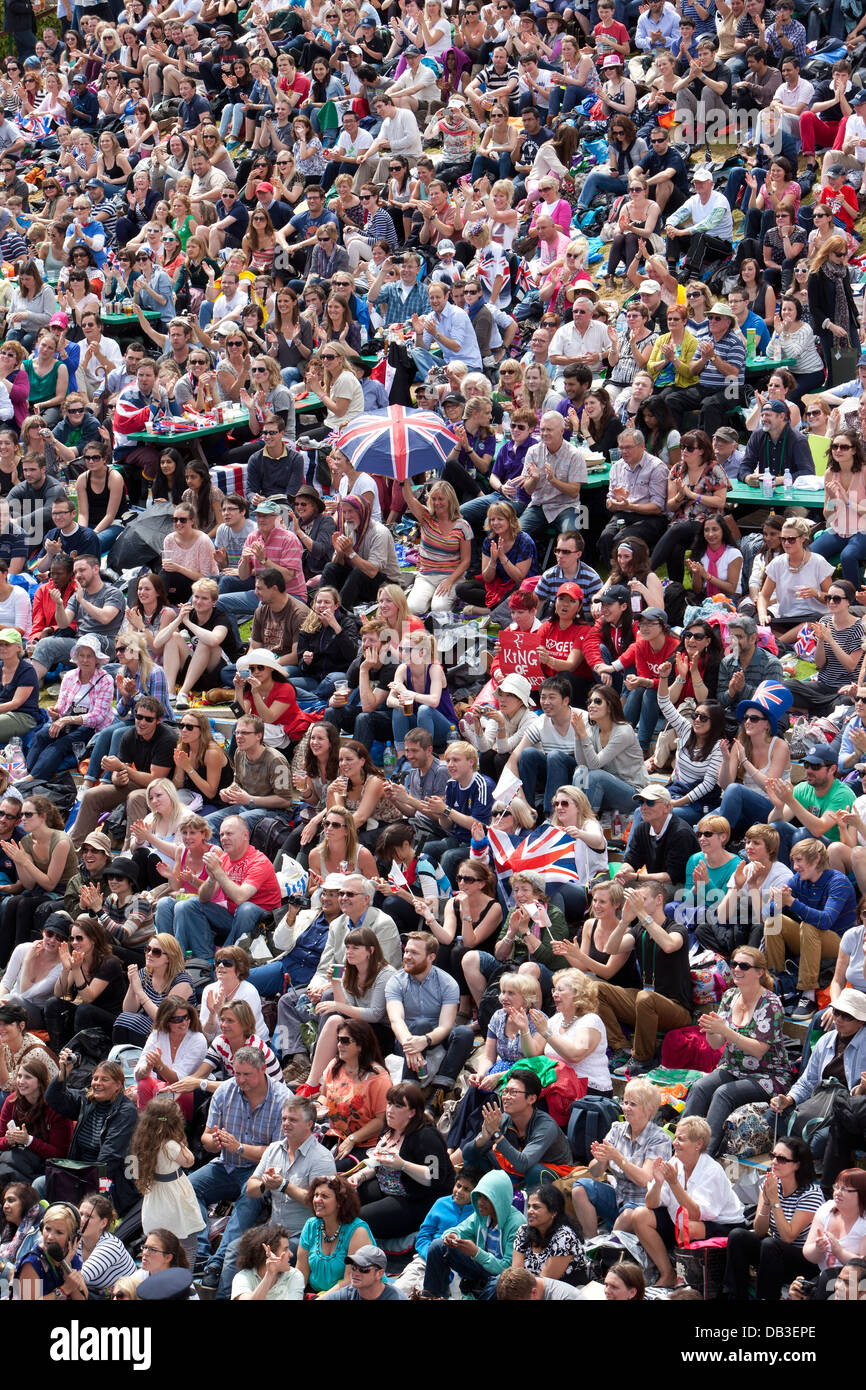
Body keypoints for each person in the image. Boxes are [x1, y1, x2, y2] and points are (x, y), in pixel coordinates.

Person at [189, 1046, 288, 1292]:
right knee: (187, 1187)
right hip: (226, 1165)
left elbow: (278, 1152)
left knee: (250, 1198)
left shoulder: (282, 1098)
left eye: (247, 1075)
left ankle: (216, 1263)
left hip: (259, 1169)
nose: (241, 1080)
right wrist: (215, 1142)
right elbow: (206, 1140)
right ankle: (201, 1252)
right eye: (237, 1074)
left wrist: (240, 1147)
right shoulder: (224, 1091)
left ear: (263, 1070)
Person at [682, 946, 790, 1154]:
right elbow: (715, 1043)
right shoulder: (730, 996)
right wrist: (711, 1029)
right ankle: (682, 1145)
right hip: (733, 1068)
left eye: (744, 966)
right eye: (734, 964)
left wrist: (725, 1030)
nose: (737, 969)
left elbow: (759, 1050)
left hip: (767, 1076)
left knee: (723, 1094)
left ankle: (704, 1156)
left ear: (759, 972)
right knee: (699, 1087)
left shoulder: (771, 1004)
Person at [631, 1116, 745, 1289]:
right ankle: (668, 1273)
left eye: (681, 1139)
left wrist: (674, 1184)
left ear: (698, 1144)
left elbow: (696, 1214)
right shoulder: (675, 1162)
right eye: (675, 1137)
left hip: (723, 1226)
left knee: (687, 1226)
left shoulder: (711, 1170)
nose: (674, 1142)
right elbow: (651, 1204)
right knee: (640, 1216)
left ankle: (688, 1279)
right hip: (682, 1221)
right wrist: (659, 1183)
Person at [770, 988, 866, 1179]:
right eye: (836, 1012)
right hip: (818, 1105)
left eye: (846, 1016)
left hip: (843, 1113)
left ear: (861, 1021)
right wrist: (789, 1098)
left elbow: (858, 1102)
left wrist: (862, 1088)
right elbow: (808, 1081)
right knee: (772, 1115)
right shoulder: (826, 1040)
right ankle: (802, 1160)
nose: (838, 1019)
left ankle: (798, 1160)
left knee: (820, 1139)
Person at [161, 816, 282, 963]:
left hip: (261, 924)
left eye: (229, 834)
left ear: (245, 835)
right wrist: (211, 879)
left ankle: (224, 957)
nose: (224, 838)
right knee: (187, 904)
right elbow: (204, 898)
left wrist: (218, 872)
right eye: (222, 834)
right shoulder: (224, 859)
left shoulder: (258, 861)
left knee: (246, 908)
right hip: (232, 918)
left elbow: (240, 897)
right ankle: (203, 960)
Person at [761, 838, 855, 1020]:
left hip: (839, 945)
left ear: (817, 859)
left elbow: (826, 920)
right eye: (793, 861)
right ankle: (778, 985)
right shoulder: (799, 880)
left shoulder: (838, 882)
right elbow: (768, 914)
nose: (794, 867)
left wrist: (792, 902)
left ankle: (808, 994)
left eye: (799, 861)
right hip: (810, 941)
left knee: (810, 924)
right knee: (774, 922)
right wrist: (776, 902)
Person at [724, 1136, 825, 1301]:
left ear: (797, 1165)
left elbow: (788, 1236)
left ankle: (765, 1297)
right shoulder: (771, 1184)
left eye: (782, 1159)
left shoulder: (811, 1194)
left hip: (803, 1259)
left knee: (770, 1244)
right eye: (773, 1156)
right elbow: (759, 1230)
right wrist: (766, 1202)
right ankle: (735, 1294)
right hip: (774, 1252)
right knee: (738, 1235)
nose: (774, 1162)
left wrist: (775, 1201)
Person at [573, 1078, 672, 1239]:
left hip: (643, 1205)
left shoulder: (659, 1139)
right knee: (580, 1188)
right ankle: (590, 1243)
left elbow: (645, 1179)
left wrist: (618, 1158)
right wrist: (600, 1159)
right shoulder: (616, 1129)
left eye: (632, 1104)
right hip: (619, 1198)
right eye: (625, 1103)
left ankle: (606, 1253)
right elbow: (595, 1172)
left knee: (627, 1215)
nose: (626, 1108)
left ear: (649, 1110)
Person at [45, 1055, 138, 1213]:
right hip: (80, 1174)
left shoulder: (126, 1112)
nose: (97, 1083)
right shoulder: (86, 1101)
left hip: (109, 1180)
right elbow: (53, 1098)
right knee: (42, 1183)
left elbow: (110, 1156)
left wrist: (82, 1183)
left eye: (104, 1079)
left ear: (118, 1085)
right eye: (95, 1078)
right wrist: (63, 1073)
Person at [385, 931, 475, 1093]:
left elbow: (445, 1027)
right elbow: (396, 1020)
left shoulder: (447, 983)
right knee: (420, 1024)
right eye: (406, 951)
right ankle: (409, 1088)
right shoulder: (395, 981)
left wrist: (425, 1040)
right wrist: (410, 1045)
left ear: (431, 957)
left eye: (414, 953)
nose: (407, 956)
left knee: (464, 1033)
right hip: (407, 1038)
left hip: (437, 1038)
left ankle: (439, 1090)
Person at [423, 1168, 526, 1300]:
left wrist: (476, 1253)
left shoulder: (516, 1223)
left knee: (500, 1282)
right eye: (479, 1196)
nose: (480, 1202)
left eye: (486, 1198)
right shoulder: (482, 1215)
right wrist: (452, 1236)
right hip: (481, 1269)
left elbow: (509, 1271)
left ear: (499, 1200)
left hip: (501, 1276)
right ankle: (432, 1297)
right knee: (438, 1246)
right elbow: (457, 1230)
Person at [0, 1057, 72, 1189]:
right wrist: (8, 1141)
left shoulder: (55, 1106)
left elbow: (61, 1154)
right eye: (19, 1076)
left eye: (27, 1077)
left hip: (44, 1166)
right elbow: (0, 1140)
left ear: (40, 1082)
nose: (21, 1081)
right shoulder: (11, 1102)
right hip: (14, 1159)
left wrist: (29, 1141)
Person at [295, 1173, 373, 1295]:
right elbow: (301, 1273)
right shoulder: (311, 1225)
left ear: (340, 1202)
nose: (317, 1200)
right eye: (316, 1195)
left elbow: (350, 1281)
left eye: (324, 1196)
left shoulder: (357, 1231)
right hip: (317, 1294)